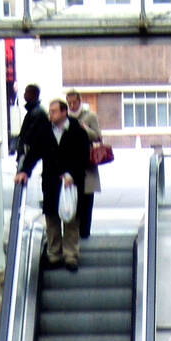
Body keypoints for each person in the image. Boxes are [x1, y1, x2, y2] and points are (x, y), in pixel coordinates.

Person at [16, 96, 90, 272]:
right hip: (51, 182)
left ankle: (71, 256)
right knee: (51, 220)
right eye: (50, 111)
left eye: (54, 111)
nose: (51, 114)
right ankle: (54, 255)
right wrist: (25, 170)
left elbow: (83, 156)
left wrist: (73, 174)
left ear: (64, 112)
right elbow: (34, 153)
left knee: (71, 219)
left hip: (71, 182)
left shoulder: (77, 130)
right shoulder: (45, 131)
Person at [66, 89, 102, 239]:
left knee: (87, 199)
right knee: (73, 199)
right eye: (69, 103)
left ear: (80, 101)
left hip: (87, 164)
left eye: (75, 102)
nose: (72, 105)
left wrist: (85, 129)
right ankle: (73, 232)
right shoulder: (65, 117)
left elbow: (98, 137)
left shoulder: (89, 116)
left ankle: (85, 231)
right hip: (70, 163)